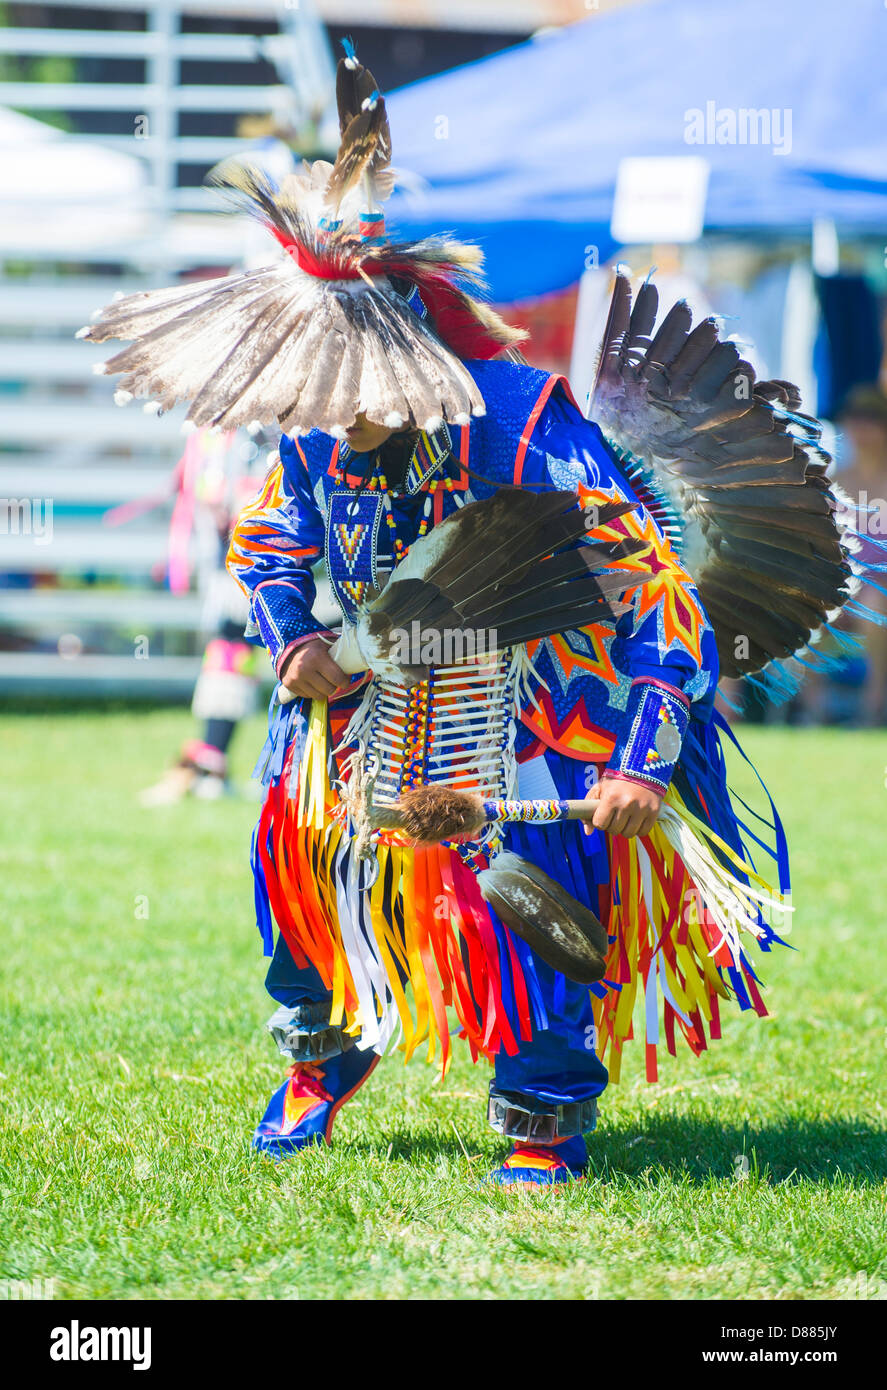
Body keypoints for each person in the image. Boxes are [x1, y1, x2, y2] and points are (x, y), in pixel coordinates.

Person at [81, 44, 868, 1188]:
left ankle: (541, 1119)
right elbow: (268, 539)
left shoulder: (520, 426)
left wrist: (643, 758)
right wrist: (293, 637)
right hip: (360, 694)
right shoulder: (307, 426)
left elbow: (658, 596)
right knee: (307, 873)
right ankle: (319, 1058)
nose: (325, 422)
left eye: (347, 399)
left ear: (400, 355)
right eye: (310, 398)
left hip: (536, 690)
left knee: (527, 892)